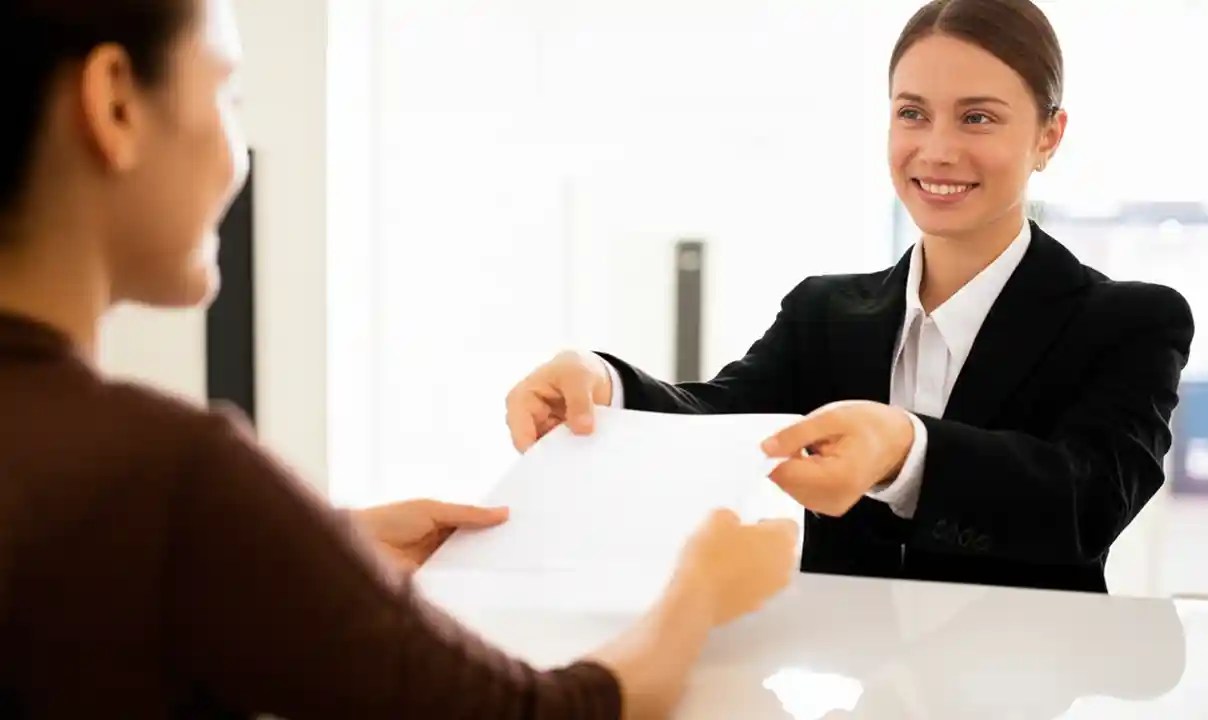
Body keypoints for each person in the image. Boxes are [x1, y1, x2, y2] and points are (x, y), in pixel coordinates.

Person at [0, 0, 799, 717]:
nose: (237, 157)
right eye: (227, 94)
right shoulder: (175, 472)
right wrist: (699, 593)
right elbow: (546, 713)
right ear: (114, 102)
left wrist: (311, 547)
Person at [506, 0, 1195, 595]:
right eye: (912, 113)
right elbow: (716, 419)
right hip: (849, 678)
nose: (937, 149)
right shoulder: (825, 313)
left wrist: (907, 451)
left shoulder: (1130, 322)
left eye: (978, 118)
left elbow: (1087, 500)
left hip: (1023, 683)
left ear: (1048, 136)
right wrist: (606, 387)